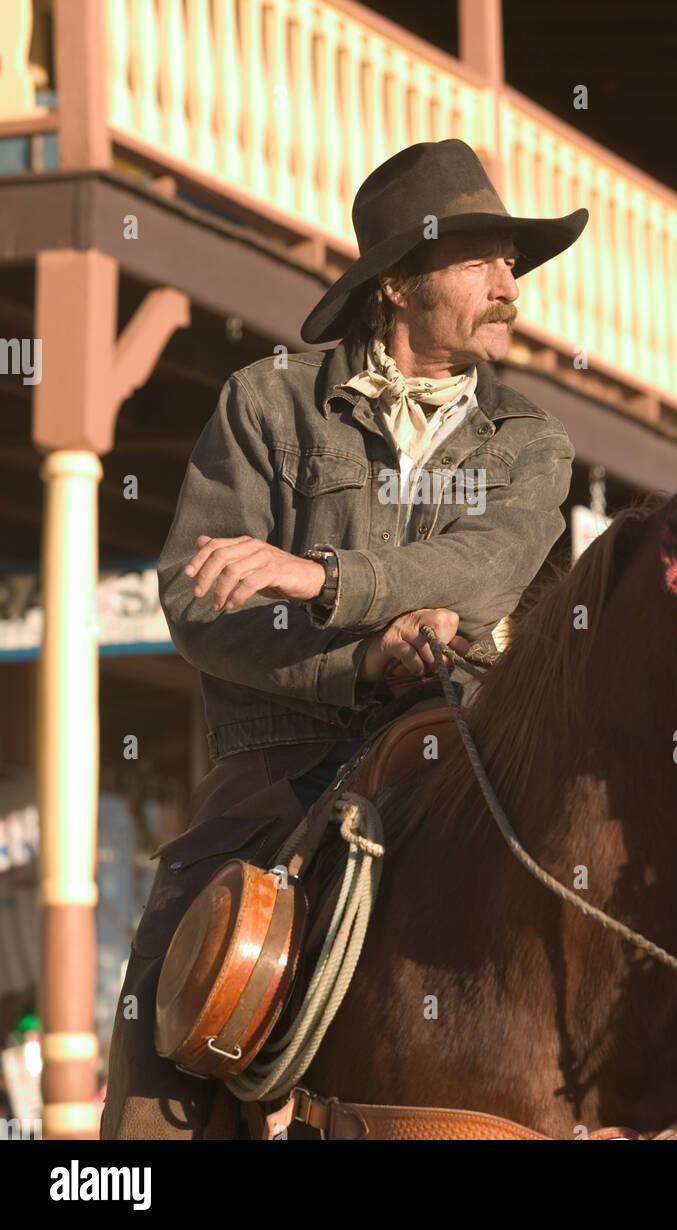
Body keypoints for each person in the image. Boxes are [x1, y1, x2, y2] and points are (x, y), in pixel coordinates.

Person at [100, 138, 586, 1139]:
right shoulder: (265, 404)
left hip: (468, 754)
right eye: (482, 260)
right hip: (280, 767)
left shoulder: (532, 439)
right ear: (398, 285)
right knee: (174, 982)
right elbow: (202, 609)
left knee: (653, 906)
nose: (510, 284)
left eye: (513, 263)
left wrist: (318, 577)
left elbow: (486, 568)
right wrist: (357, 657)